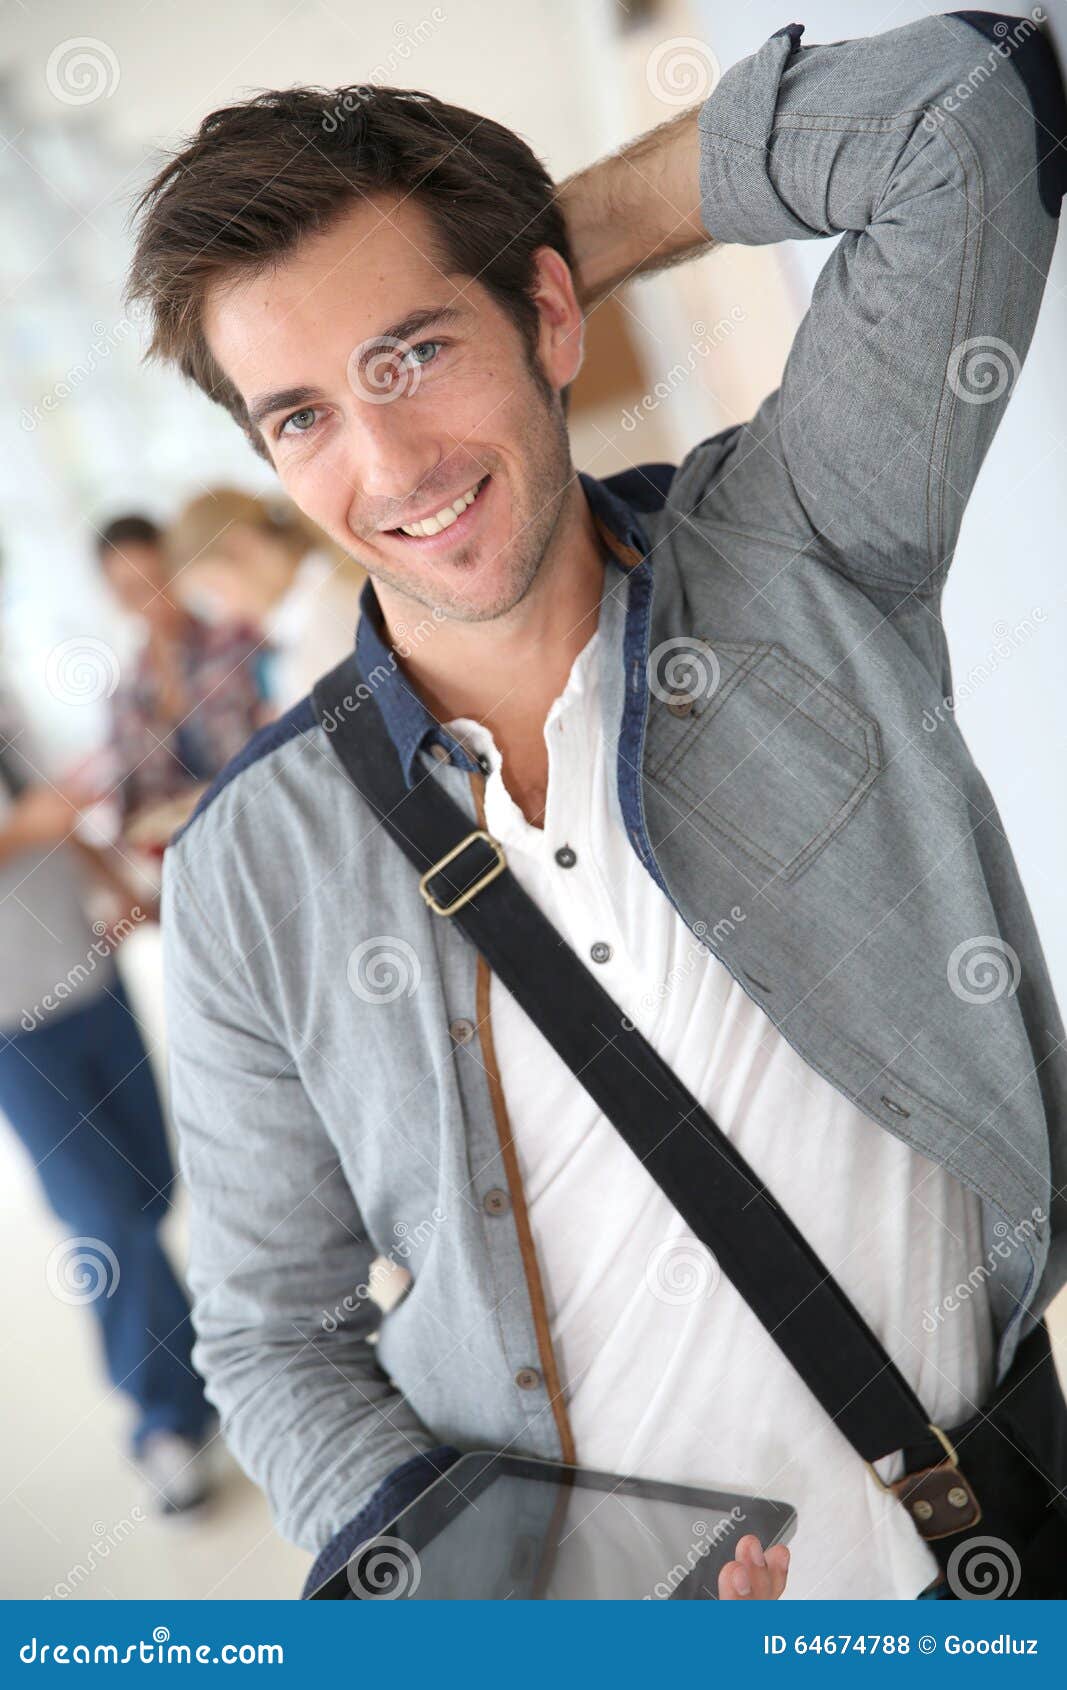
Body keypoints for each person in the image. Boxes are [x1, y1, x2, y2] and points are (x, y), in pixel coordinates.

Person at [126, 12, 1066, 1600]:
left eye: (413, 352)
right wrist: (484, 1576)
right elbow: (270, 1329)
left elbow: (962, 111)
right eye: (302, 417)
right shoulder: (248, 867)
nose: (388, 461)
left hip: (984, 1562)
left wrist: (545, 235)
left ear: (548, 312)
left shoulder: (797, 563)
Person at [0, 692, 218, 1512]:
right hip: (13, 1026)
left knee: (151, 1188)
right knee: (106, 1217)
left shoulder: (8, 705)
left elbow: (54, 814)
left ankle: (195, 1363)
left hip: (90, 980)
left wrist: (114, 881)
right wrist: (31, 823)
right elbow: (37, 818)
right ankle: (162, 1419)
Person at [98, 514, 268, 840]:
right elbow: (132, 800)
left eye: (157, 578)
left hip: (258, 817)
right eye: (131, 590)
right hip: (191, 845)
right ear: (114, 596)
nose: (151, 599)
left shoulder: (239, 642)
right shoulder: (126, 691)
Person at [166, 490, 365, 714]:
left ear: (241, 548)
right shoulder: (301, 624)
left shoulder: (332, 613)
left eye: (213, 592)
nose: (224, 614)